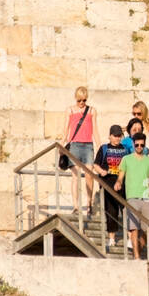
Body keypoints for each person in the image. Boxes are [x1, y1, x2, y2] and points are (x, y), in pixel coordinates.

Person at [114, 132, 149, 259]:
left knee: (146, 230)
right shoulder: (126, 159)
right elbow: (121, 176)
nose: (139, 146)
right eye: (137, 144)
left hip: (147, 197)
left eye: (141, 145)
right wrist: (118, 182)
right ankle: (136, 256)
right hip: (132, 197)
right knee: (133, 228)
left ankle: (138, 248)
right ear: (133, 144)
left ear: (144, 145)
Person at [59, 86, 97, 214]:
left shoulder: (91, 110)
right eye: (79, 100)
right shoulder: (69, 110)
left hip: (88, 145)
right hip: (74, 144)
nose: (81, 103)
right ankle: (76, 206)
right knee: (75, 175)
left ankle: (89, 203)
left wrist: (101, 147)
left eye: (84, 100)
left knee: (89, 175)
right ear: (76, 99)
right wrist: (62, 145)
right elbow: (65, 130)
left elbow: (95, 130)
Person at [92, 124, 128, 250]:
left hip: (123, 181)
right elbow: (95, 164)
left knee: (126, 208)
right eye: (115, 136)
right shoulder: (104, 148)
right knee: (111, 210)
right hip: (108, 181)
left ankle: (129, 236)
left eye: (119, 136)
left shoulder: (125, 149)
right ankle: (111, 238)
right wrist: (101, 171)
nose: (117, 138)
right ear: (110, 136)